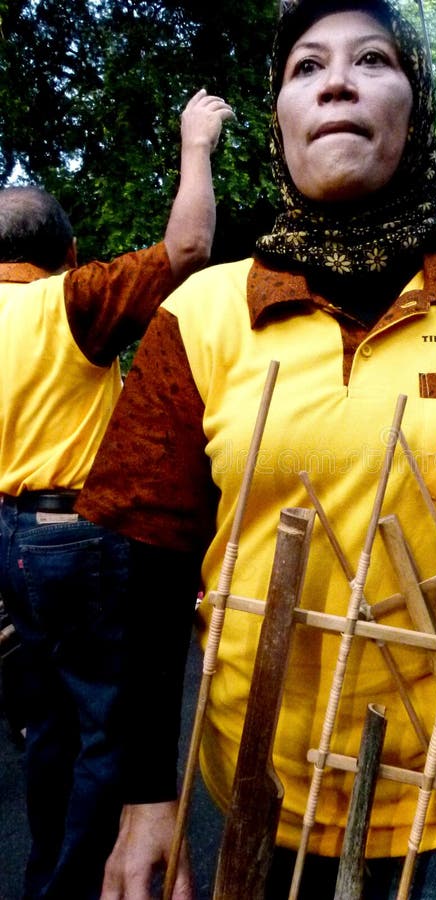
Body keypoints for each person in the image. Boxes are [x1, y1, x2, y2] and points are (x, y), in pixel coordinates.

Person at [77, 2, 436, 897]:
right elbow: (141, 577)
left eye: (370, 59)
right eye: (306, 67)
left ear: (412, 109)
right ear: (279, 120)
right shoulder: (204, 314)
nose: (336, 80)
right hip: (276, 785)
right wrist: (145, 801)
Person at [0, 89, 232, 899]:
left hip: (6, 548)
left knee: (46, 727)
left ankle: (42, 876)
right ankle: (79, 885)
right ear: (67, 251)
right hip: (74, 534)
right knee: (107, 727)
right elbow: (189, 244)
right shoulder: (71, 300)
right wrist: (194, 141)